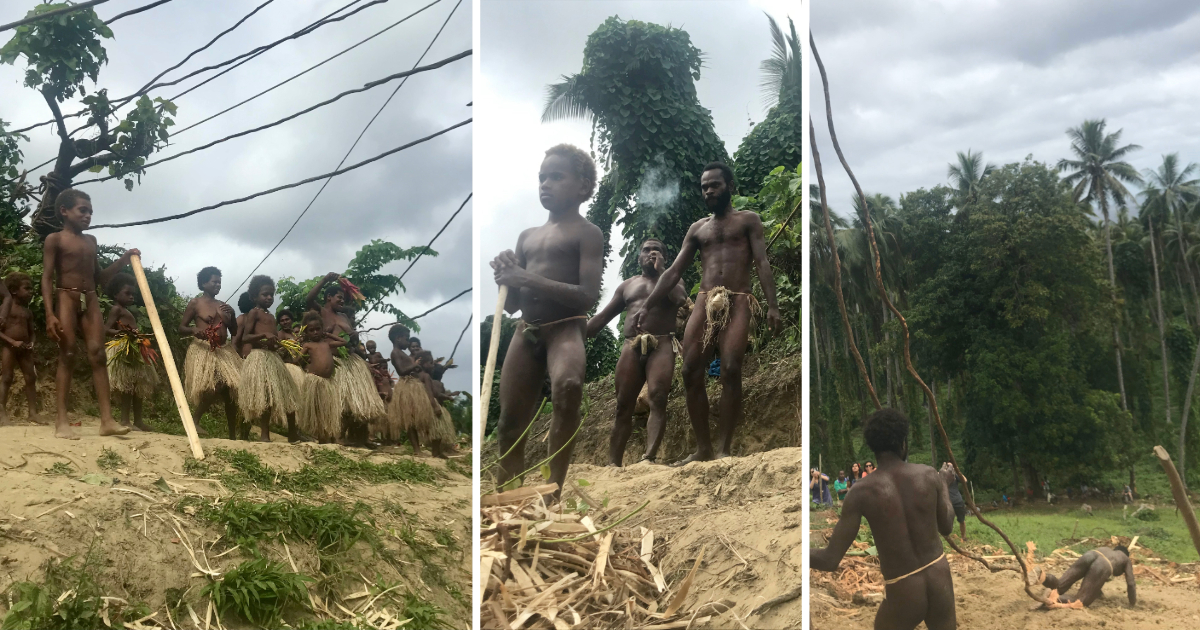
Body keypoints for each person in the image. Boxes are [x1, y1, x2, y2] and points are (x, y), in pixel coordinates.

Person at [632, 162, 781, 466]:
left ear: (730, 187)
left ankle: (724, 447)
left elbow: (762, 263)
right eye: (705, 187)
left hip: (738, 299)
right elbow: (674, 271)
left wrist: (772, 305)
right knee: (689, 371)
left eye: (715, 185)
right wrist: (647, 305)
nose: (710, 191)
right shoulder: (698, 229)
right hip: (703, 299)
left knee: (730, 368)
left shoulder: (748, 221)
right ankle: (703, 448)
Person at [491, 144, 605, 493]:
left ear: (583, 187)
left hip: (566, 329)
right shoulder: (527, 237)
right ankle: (507, 498)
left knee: (568, 387)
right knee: (510, 421)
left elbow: (588, 296)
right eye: (542, 177)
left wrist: (526, 278)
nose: (546, 184)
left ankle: (552, 491)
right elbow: (511, 306)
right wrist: (504, 276)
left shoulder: (588, 233)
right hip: (526, 332)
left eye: (557, 176)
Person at [811, 408, 956, 630]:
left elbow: (830, 560)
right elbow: (946, 526)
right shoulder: (929, 475)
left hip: (903, 589)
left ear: (872, 447)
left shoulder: (860, 492)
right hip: (940, 576)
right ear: (904, 443)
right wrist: (944, 484)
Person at [41, 189, 135, 439]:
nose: (88, 215)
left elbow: (99, 278)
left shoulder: (91, 241)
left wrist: (122, 261)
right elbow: (47, 277)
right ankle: (61, 421)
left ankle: (107, 421)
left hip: (90, 297)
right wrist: (50, 314)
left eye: (90, 212)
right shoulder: (55, 239)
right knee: (68, 352)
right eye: (82, 210)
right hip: (65, 296)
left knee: (98, 354)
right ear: (64, 211)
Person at [586, 239, 687, 466]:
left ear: (665, 257)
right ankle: (613, 463)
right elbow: (603, 317)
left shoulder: (674, 279)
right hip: (631, 345)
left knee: (658, 397)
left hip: (661, 343)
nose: (651, 253)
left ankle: (648, 458)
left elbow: (680, 299)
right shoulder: (627, 286)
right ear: (638, 257)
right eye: (646, 250)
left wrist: (663, 271)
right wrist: (576, 332)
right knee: (623, 404)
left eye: (657, 250)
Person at [305, 273, 385, 446]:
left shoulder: (344, 317)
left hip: (351, 362)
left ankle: (356, 438)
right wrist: (325, 280)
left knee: (357, 403)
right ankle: (335, 436)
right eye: (339, 297)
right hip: (335, 363)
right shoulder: (322, 312)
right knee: (338, 403)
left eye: (343, 298)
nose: (342, 301)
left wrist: (354, 337)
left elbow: (353, 342)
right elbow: (309, 298)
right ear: (329, 297)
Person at [235, 276, 300, 442]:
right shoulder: (254, 312)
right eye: (265, 294)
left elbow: (272, 337)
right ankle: (264, 435)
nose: (269, 297)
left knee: (288, 394)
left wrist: (277, 343)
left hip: (273, 358)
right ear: (255, 296)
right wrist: (264, 335)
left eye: (271, 294)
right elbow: (246, 337)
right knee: (265, 397)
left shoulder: (272, 316)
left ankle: (293, 434)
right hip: (259, 358)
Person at [180, 266, 240, 439]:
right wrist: (193, 330)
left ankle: (232, 435)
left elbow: (234, 332)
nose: (218, 285)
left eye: (219, 282)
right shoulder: (195, 303)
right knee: (216, 385)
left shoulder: (224, 306)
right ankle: (194, 420)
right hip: (204, 349)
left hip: (223, 351)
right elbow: (181, 327)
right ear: (204, 283)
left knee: (231, 391)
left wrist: (232, 316)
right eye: (214, 281)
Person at [103, 273, 158, 432]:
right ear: (116, 294)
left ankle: (139, 421)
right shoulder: (116, 309)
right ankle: (125, 420)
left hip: (135, 349)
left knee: (138, 385)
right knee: (128, 385)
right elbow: (106, 329)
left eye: (133, 294)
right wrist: (123, 334)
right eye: (127, 293)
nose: (131, 297)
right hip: (124, 349)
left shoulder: (125, 310)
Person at [386, 324, 439, 454]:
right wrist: (414, 365)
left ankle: (425, 448)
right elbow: (401, 371)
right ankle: (416, 450)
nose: (408, 341)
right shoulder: (395, 353)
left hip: (414, 386)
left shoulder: (402, 353)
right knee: (410, 420)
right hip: (407, 387)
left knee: (419, 418)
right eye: (406, 338)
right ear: (398, 338)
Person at [296, 311, 346, 443]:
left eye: (318, 329)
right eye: (311, 330)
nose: (315, 332)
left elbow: (344, 341)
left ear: (322, 329)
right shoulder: (308, 345)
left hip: (328, 382)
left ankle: (328, 436)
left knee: (327, 409)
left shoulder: (327, 344)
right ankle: (321, 437)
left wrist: (328, 334)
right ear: (307, 333)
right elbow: (296, 360)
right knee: (318, 410)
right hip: (315, 381)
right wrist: (297, 343)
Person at [0, 272, 40, 425]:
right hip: (8, 348)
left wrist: (32, 343)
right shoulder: (4, 308)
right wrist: (12, 342)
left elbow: (32, 333)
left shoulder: (27, 312)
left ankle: (33, 413)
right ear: (14, 291)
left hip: (24, 349)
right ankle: (2, 413)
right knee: (7, 378)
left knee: (31, 377)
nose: (31, 292)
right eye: (27, 288)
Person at [1041, 546, 1136, 608]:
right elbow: (1131, 583)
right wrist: (1132, 603)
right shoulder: (1125, 559)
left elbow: (1092, 575)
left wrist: (1098, 592)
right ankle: (1051, 600)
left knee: (1059, 585)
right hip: (1103, 564)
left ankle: (1041, 576)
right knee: (1081, 601)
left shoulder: (1106, 549)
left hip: (1091, 554)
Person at [942, 462, 968, 540]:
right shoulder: (942, 476)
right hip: (947, 502)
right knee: (946, 521)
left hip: (957, 501)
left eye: (951, 466)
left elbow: (965, 480)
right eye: (948, 466)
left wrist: (957, 471)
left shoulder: (955, 476)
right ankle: (947, 537)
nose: (950, 468)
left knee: (961, 520)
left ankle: (963, 537)